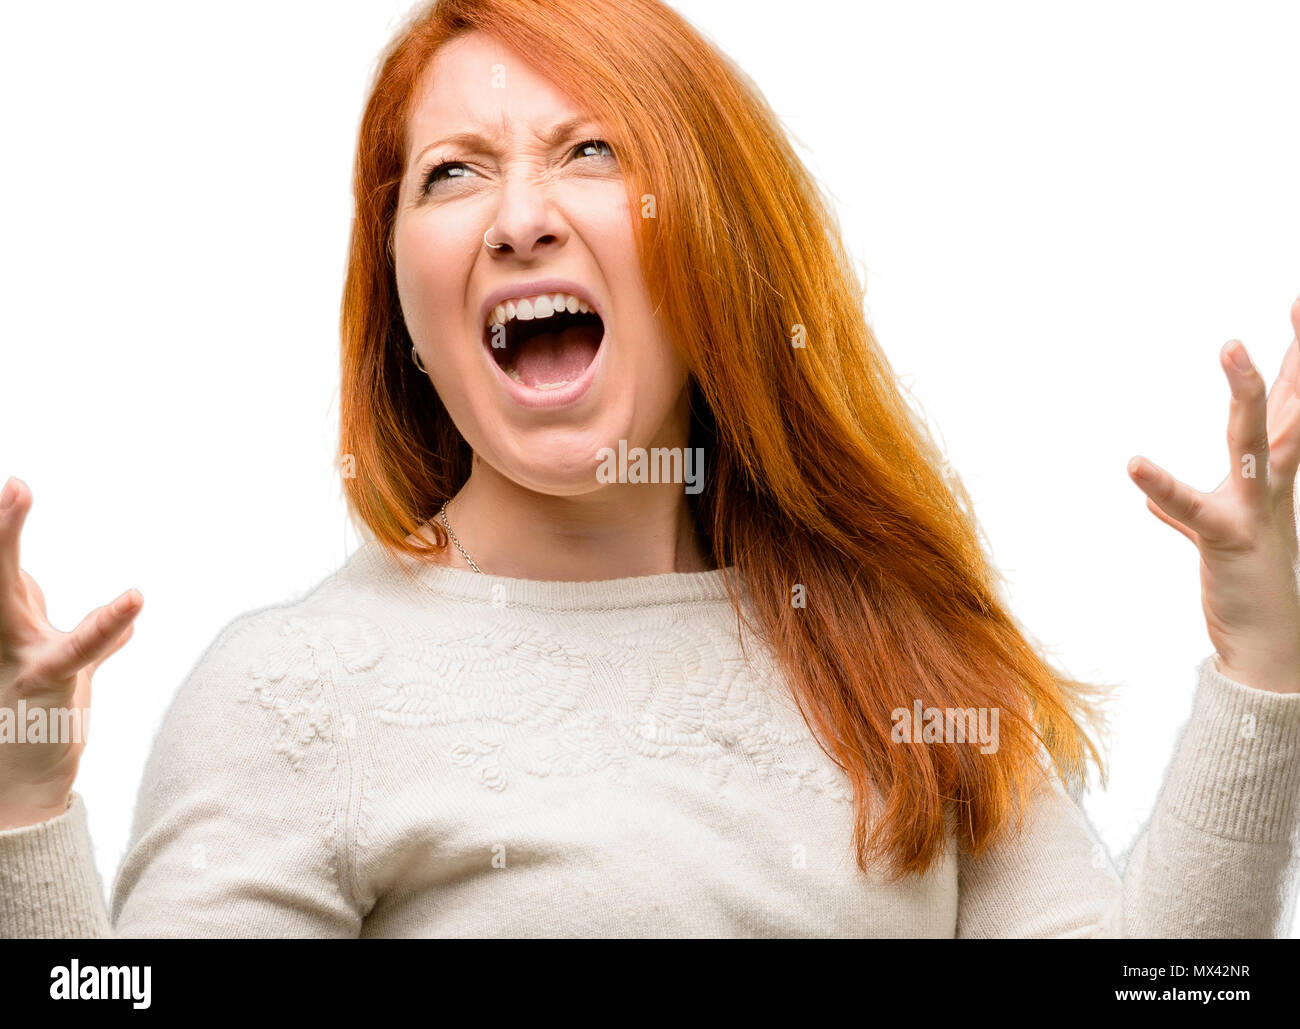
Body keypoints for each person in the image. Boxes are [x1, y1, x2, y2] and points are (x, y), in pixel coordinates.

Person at [2, 0, 1298, 938]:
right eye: (452, 174)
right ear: (401, 294)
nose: (519, 219)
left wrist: (1266, 664)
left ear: (715, 251)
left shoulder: (904, 663)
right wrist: (21, 807)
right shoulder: (290, 696)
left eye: (592, 151)